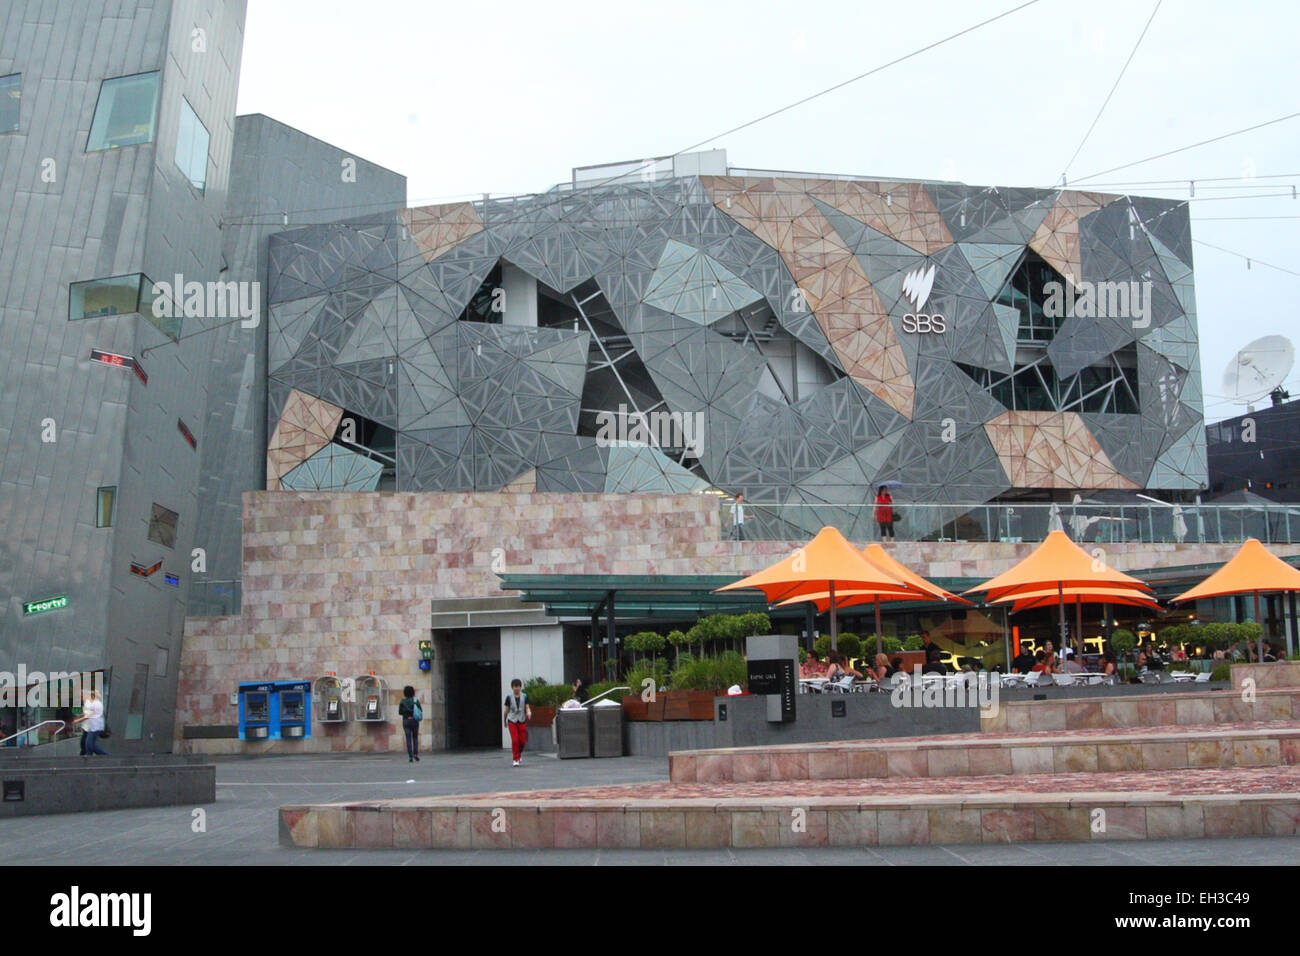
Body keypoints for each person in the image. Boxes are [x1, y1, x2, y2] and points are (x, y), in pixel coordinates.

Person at [503, 678, 532, 766]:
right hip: (512, 721)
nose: (517, 688)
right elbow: (506, 711)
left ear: (520, 687)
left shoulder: (525, 696)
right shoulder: (509, 698)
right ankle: (516, 759)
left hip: (522, 720)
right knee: (515, 740)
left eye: (518, 686)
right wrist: (504, 721)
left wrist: (528, 712)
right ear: (512, 687)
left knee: (522, 741)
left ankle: (518, 754)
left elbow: (527, 707)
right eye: (515, 687)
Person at [74, 690, 108, 756]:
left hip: (92, 727)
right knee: (87, 744)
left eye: (82, 695)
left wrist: (78, 720)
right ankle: (87, 757)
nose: (81, 697)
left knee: (88, 744)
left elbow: (90, 715)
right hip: (90, 727)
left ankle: (106, 756)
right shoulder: (89, 702)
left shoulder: (90, 703)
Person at [397, 685, 421, 762]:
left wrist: (406, 712)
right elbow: (420, 710)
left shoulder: (402, 702)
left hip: (406, 720)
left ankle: (410, 756)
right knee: (415, 737)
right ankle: (416, 754)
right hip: (414, 720)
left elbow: (400, 712)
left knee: (408, 738)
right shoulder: (415, 701)